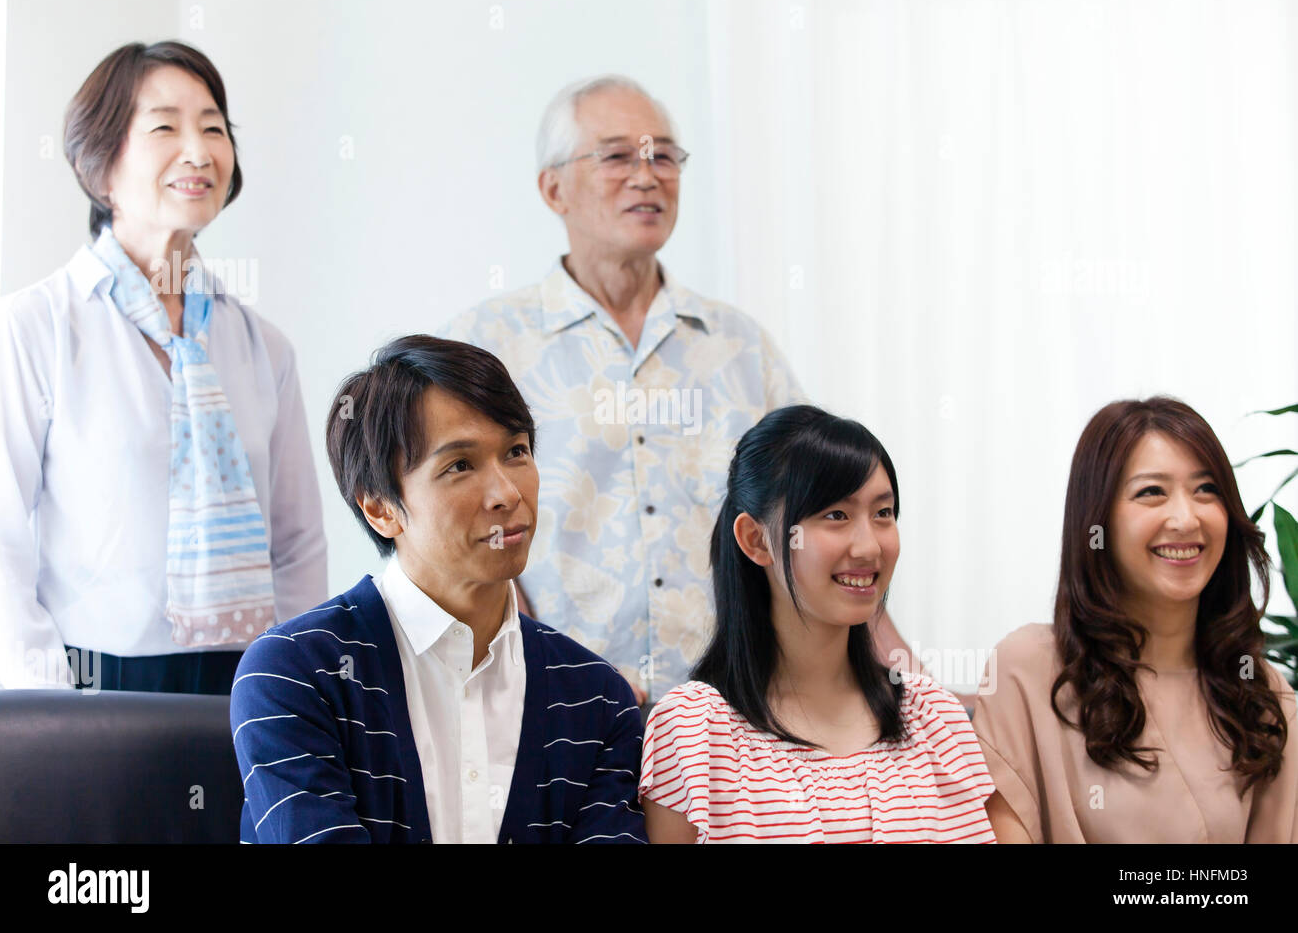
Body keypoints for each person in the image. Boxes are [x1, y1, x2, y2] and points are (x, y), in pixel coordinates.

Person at [439, 74, 920, 706]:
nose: (648, 175)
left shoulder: (740, 347)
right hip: (547, 711)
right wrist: (547, 666)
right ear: (553, 188)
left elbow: (829, 515)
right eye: (617, 155)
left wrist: (905, 685)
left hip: (739, 717)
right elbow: (452, 528)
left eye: (663, 155)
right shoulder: (489, 346)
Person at [0, 41, 325, 694]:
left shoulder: (263, 346)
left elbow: (297, 545)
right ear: (102, 163)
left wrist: (292, 691)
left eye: (214, 127)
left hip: (247, 682)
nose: (199, 151)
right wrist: (49, 707)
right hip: (91, 681)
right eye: (165, 127)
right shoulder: (34, 328)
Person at [231, 336, 646, 843]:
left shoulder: (596, 698)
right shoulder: (294, 675)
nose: (508, 493)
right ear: (380, 508)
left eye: (517, 451)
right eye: (461, 465)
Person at [638, 404, 996, 842]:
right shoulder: (695, 732)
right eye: (836, 515)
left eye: (883, 513)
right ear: (757, 540)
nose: (868, 547)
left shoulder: (935, 718)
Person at [975, 396, 1298, 842]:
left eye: (1207, 489)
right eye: (1152, 492)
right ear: (1098, 521)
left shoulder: (1261, 692)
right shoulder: (1027, 669)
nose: (1185, 518)